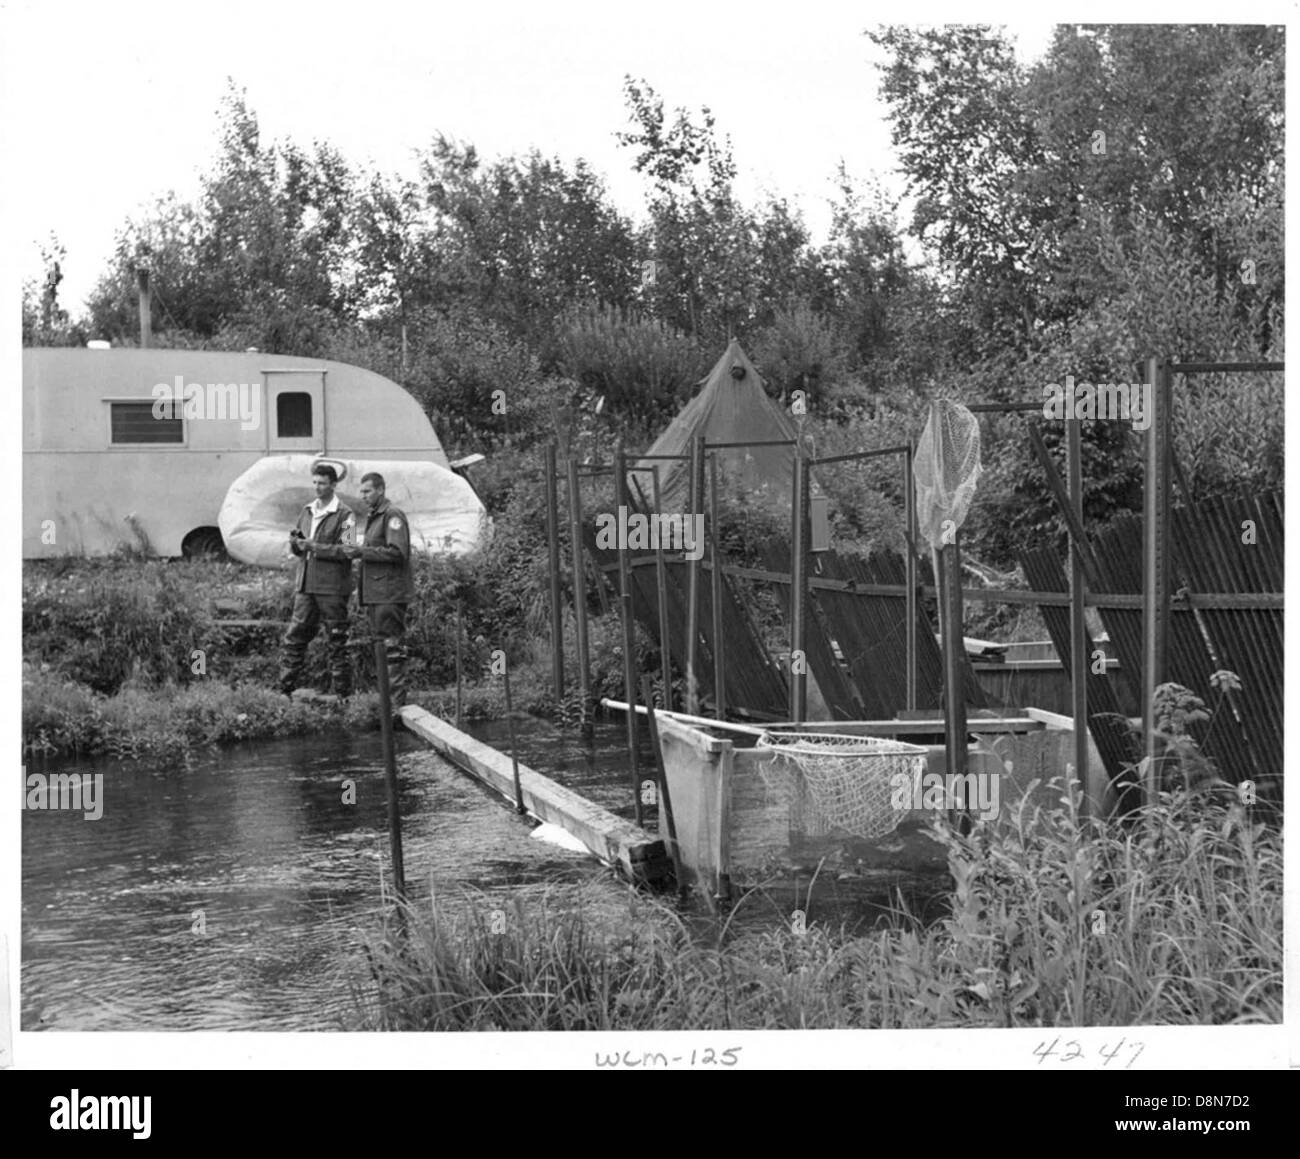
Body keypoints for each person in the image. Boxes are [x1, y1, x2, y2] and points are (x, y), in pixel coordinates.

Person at [278, 463, 356, 698]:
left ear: (333, 485)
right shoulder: (307, 511)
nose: (317, 488)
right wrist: (296, 543)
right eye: (314, 482)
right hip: (306, 585)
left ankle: (343, 694)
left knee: (336, 638)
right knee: (295, 636)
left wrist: (316, 547)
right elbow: (299, 542)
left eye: (322, 483)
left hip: (332, 587)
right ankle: (285, 689)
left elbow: (349, 550)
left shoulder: (346, 514)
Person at [345, 471, 414, 708]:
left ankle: (395, 706)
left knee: (392, 648)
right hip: (376, 594)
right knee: (381, 647)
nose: (362, 495)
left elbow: (397, 552)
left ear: (381, 490)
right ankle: (388, 704)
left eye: (367, 491)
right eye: (361, 491)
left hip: (389, 594)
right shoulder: (373, 516)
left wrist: (360, 552)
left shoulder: (392, 516)